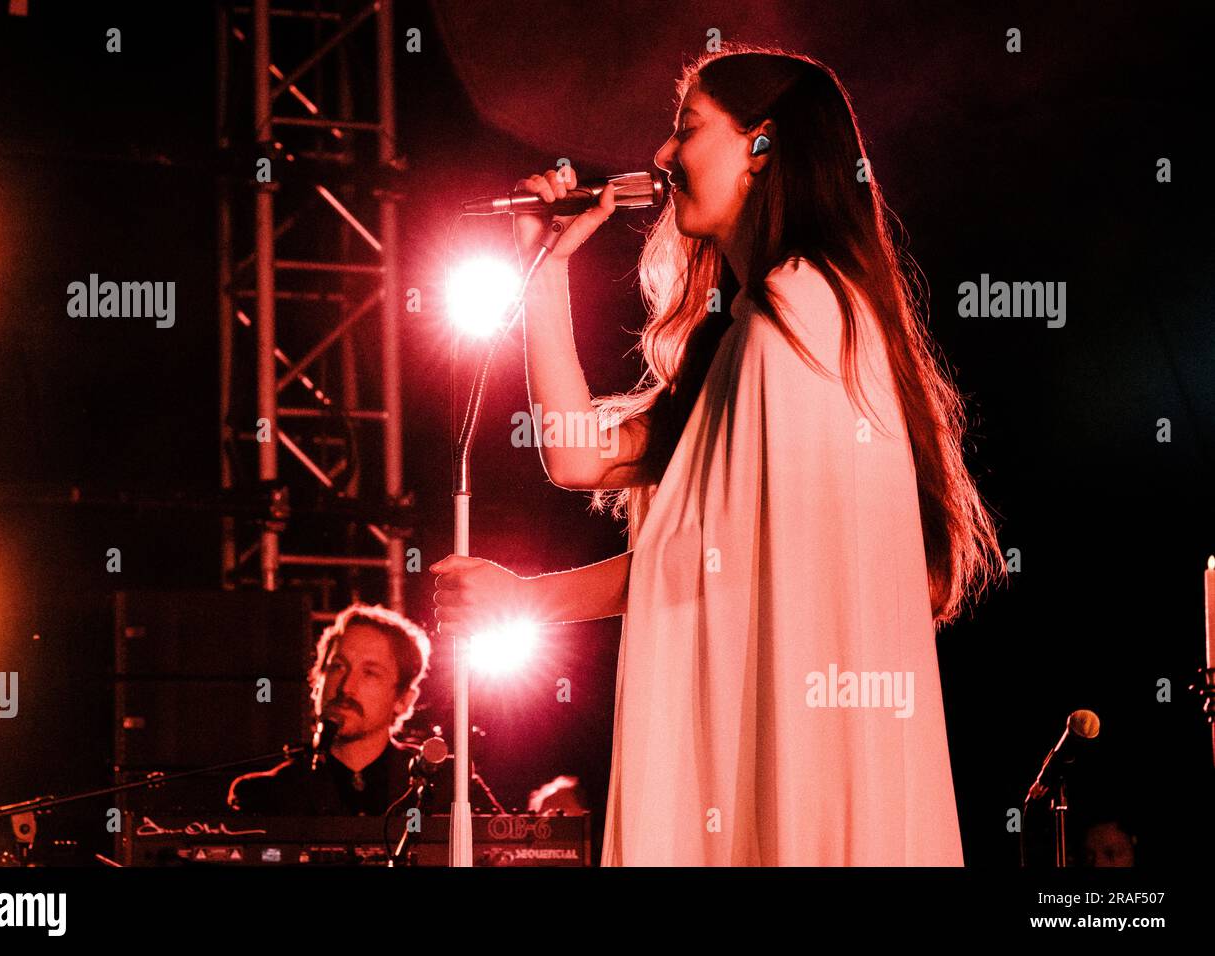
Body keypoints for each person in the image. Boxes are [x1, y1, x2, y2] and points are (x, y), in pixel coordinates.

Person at [431, 46, 1005, 865]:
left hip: (799, 741)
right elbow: (577, 455)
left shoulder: (800, 313)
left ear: (763, 146)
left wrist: (524, 603)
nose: (662, 156)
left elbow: (713, 558)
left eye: (686, 129)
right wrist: (543, 271)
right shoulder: (761, 322)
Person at [227, 603, 450, 816]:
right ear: (316, 682)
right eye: (337, 667)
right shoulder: (264, 794)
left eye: (370, 672)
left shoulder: (446, 787)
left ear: (404, 700)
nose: (346, 687)